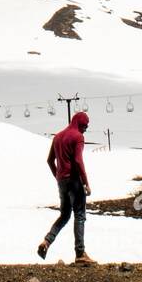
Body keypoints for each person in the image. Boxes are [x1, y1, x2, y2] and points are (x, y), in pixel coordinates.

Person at [37, 111, 96, 264]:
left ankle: (47, 241)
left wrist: (58, 176)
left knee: (64, 215)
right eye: (84, 126)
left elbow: (50, 160)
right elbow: (78, 160)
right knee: (80, 215)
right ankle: (80, 253)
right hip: (74, 181)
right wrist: (85, 183)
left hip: (62, 181)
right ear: (79, 123)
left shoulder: (57, 136)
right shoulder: (77, 137)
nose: (85, 129)